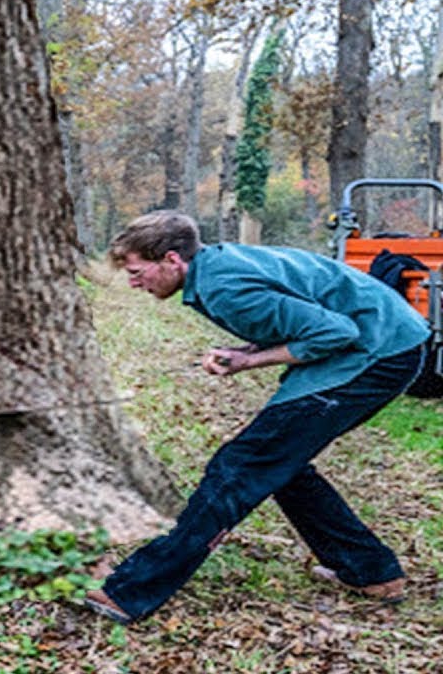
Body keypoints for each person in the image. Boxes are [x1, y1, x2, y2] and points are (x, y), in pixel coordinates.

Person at [85, 211, 429, 624]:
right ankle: (371, 572)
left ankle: (127, 591)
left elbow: (336, 333)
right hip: (391, 339)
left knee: (241, 468)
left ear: (173, 260)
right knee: (282, 464)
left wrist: (248, 361)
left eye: (138, 271)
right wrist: (247, 352)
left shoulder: (225, 287)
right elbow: (301, 316)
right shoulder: (217, 267)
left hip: (377, 352)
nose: (133, 281)